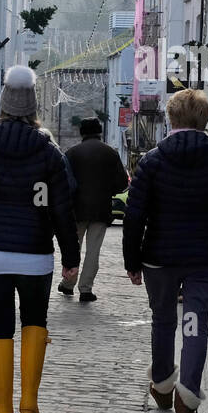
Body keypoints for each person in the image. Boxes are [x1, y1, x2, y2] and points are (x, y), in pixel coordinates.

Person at [0, 65, 81, 413]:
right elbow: (62, 208)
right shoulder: (49, 152)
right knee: (34, 321)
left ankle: (1, 412)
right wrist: (71, 258)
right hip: (35, 253)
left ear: (3, 104)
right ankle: (29, 400)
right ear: (32, 106)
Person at [123, 88, 208, 413]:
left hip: (160, 257)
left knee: (163, 320)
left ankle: (161, 386)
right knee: (194, 326)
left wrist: (133, 260)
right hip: (205, 259)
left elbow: (134, 216)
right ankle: (186, 404)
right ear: (204, 120)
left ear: (171, 119)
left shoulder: (153, 160)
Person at [60, 116, 130, 302]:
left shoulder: (72, 153)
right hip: (101, 209)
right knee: (93, 251)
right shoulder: (110, 153)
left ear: (82, 132)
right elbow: (122, 183)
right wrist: (107, 189)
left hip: (76, 209)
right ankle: (86, 289)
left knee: (73, 247)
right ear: (100, 132)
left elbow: (64, 182)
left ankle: (68, 283)